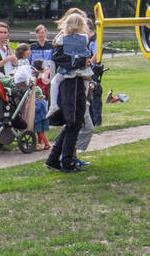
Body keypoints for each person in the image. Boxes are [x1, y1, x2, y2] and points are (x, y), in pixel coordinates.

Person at [45, 13, 93, 173]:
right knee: (74, 123)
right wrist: (80, 62)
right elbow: (64, 59)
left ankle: (54, 159)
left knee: (71, 124)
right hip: (73, 84)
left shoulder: (62, 40)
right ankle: (66, 161)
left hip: (71, 83)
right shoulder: (81, 39)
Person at [11, 43, 37, 132]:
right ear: (23, 52)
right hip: (22, 83)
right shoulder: (23, 61)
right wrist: (30, 79)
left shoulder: (25, 60)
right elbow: (24, 71)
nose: (29, 51)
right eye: (27, 49)